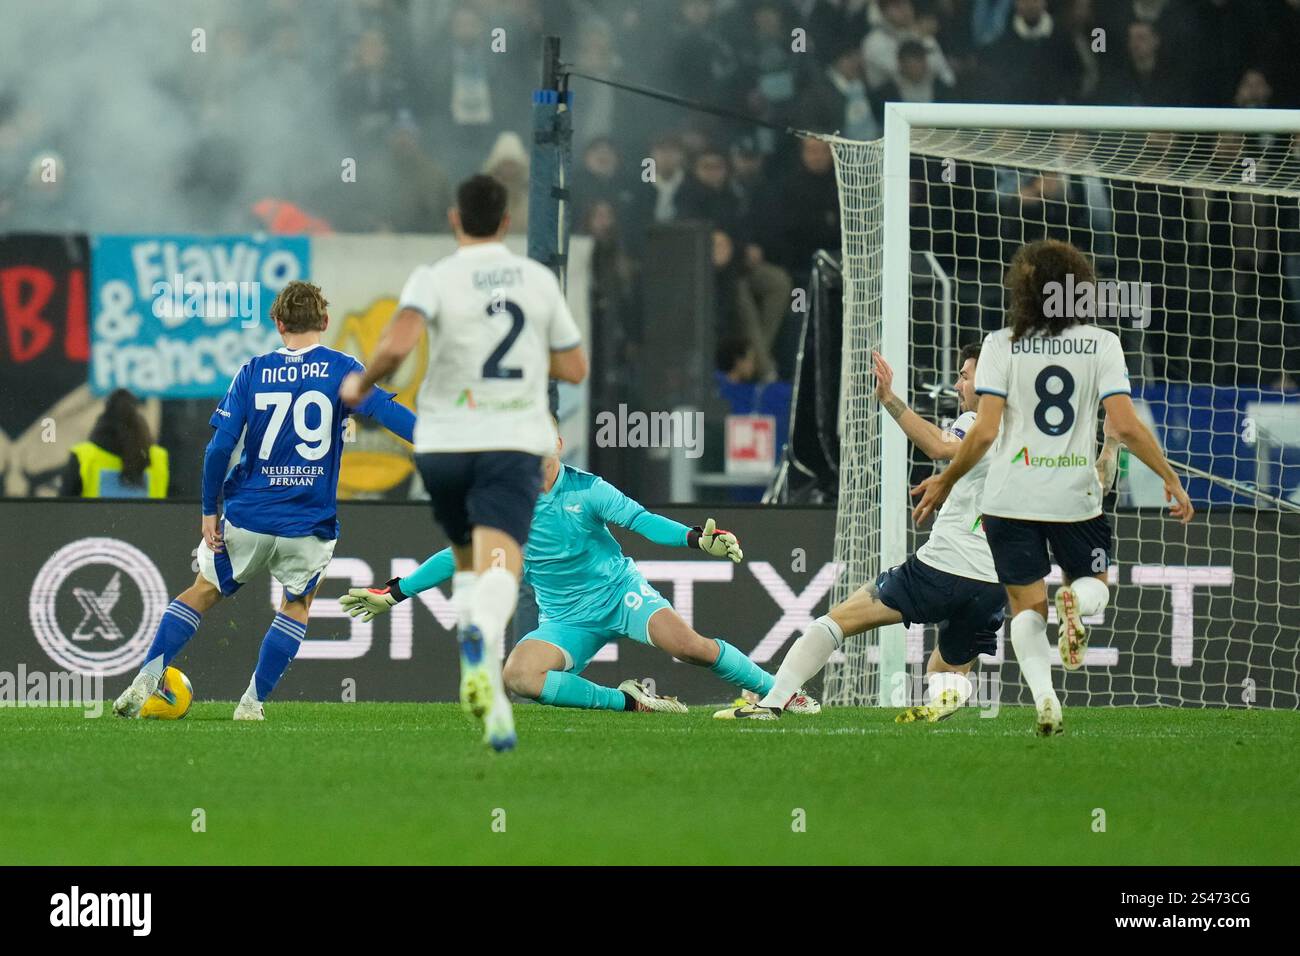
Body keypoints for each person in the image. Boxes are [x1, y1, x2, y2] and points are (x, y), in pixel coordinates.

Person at [340, 174, 588, 752]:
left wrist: (362, 383)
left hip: (443, 445)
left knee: (467, 557)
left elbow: (397, 344)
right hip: (510, 442)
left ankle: (487, 685)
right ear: (507, 221)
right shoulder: (537, 280)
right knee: (502, 562)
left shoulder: (434, 277)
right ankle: (479, 638)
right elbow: (575, 368)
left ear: (455, 219)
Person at [912, 239, 1194, 735]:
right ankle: (1077, 605)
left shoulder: (999, 345)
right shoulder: (1101, 343)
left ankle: (1046, 701)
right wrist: (1169, 477)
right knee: (1094, 585)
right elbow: (1126, 426)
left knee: (1026, 607)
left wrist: (945, 480)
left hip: (1008, 500)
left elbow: (984, 431)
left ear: (1021, 292)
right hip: (1072, 497)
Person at [339, 429, 819, 716]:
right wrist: (395, 592)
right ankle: (630, 703)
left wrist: (695, 538)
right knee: (519, 676)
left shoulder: (588, 489)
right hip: (566, 618)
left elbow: (642, 521)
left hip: (620, 595)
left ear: (558, 445)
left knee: (689, 647)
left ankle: (781, 692)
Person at [112, 281, 415, 720]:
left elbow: (219, 448)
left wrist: (209, 509)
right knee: (297, 604)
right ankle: (251, 703)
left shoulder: (253, 371)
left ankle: (148, 674)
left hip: (248, 515)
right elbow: (391, 415)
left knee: (204, 590)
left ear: (278, 324)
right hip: (307, 522)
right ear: (325, 321)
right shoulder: (344, 369)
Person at [718, 344, 1004, 721]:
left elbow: (938, 446)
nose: (957, 385)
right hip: (994, 581)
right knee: (944, 668)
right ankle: (952, 693)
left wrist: (889, 399)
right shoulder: (1022, 435)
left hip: (943, 567)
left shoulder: (976, 421)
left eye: (964, 376)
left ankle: (773, 701)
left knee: (834, 622)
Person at [61, 389, 169, 499]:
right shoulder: (159, 458)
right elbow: (174, 502)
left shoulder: (83, 456)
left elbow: (64, 504)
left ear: (104, 416)